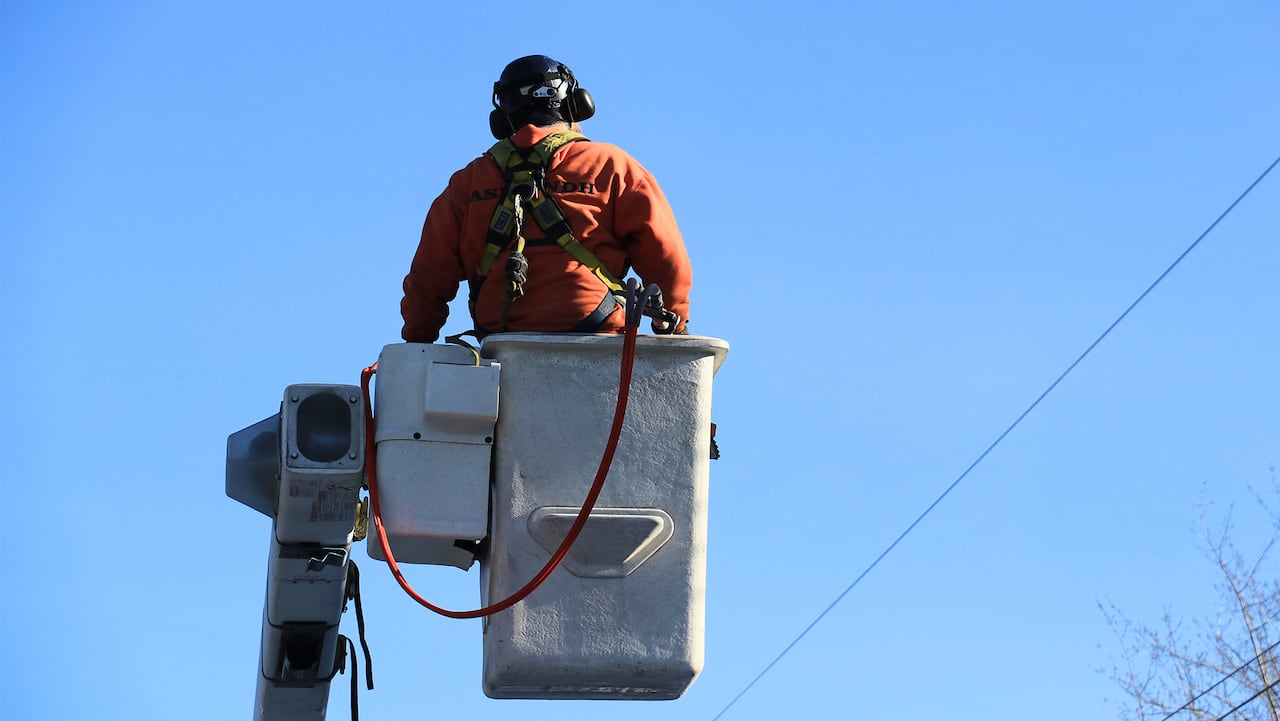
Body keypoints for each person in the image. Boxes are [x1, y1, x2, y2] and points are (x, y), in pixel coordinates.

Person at [400, 54, 692, 343]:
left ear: (503, 117)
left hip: (502, 345)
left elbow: (427, 277)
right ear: (575, 105)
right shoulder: (613, 165)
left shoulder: (467, 182)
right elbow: (666, 256)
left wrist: (418, 341)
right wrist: (674, 321)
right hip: (599, 340)